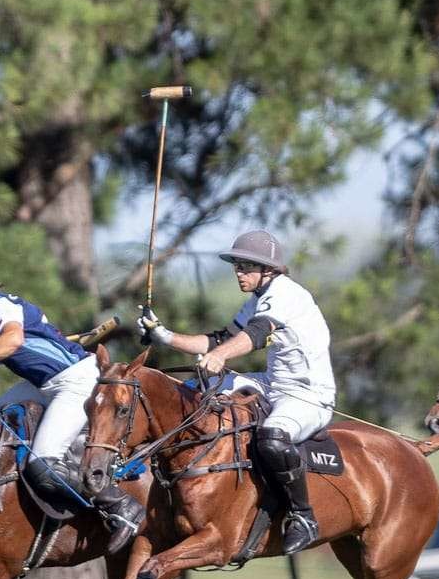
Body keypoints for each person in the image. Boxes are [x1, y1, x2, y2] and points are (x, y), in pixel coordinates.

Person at [136, 230, 334, 554]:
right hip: (272, 383)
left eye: (246, 266)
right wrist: (164, 335)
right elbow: (218, 339)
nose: (238, 272)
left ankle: (303, 516)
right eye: (237, 266)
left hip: (308, 395)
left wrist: (221, 356)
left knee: (272, 435)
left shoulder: (285, 295)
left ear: (268, 270)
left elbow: (255, 335)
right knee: (190, 395)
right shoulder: (257, 299)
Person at [0, 250, 144, 553]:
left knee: (41, 465)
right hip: (43, 385)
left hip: (75, 381)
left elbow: (14, 340)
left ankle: (120, 506)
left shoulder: (0, 308)